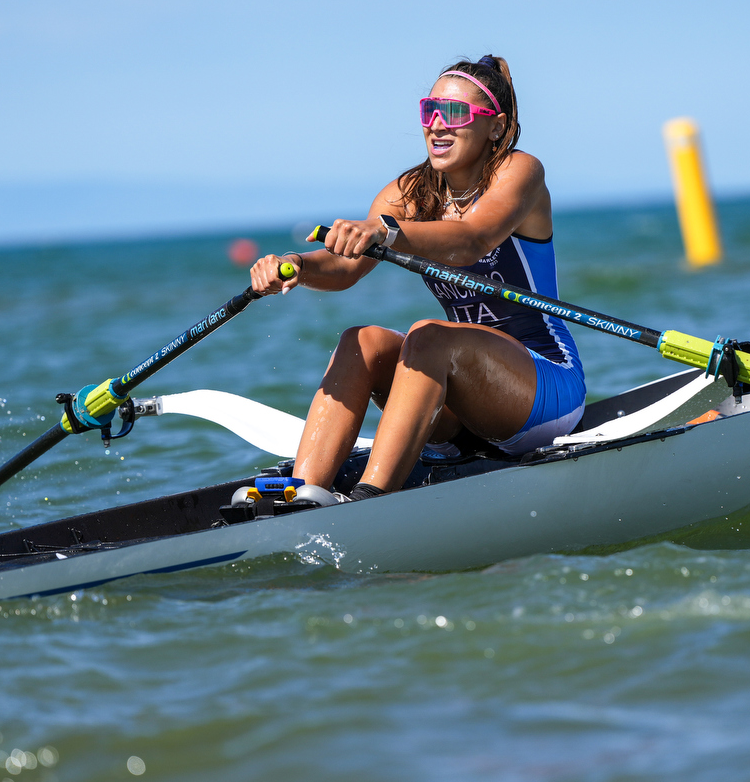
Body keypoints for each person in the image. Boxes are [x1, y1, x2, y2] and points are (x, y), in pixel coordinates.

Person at [249, 54, 585, 501]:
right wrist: (295, 264)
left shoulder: (518, 172)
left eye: (455, 114)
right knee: (361, 341)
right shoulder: (408, 192)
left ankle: (372, 501)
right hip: (458, 406)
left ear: (496, 127)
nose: (437, 125)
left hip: (542, 386)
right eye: (430, 111)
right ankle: (304, 494)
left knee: (426, 336)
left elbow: (471, 239)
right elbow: (347, 268)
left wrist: (386, 231)